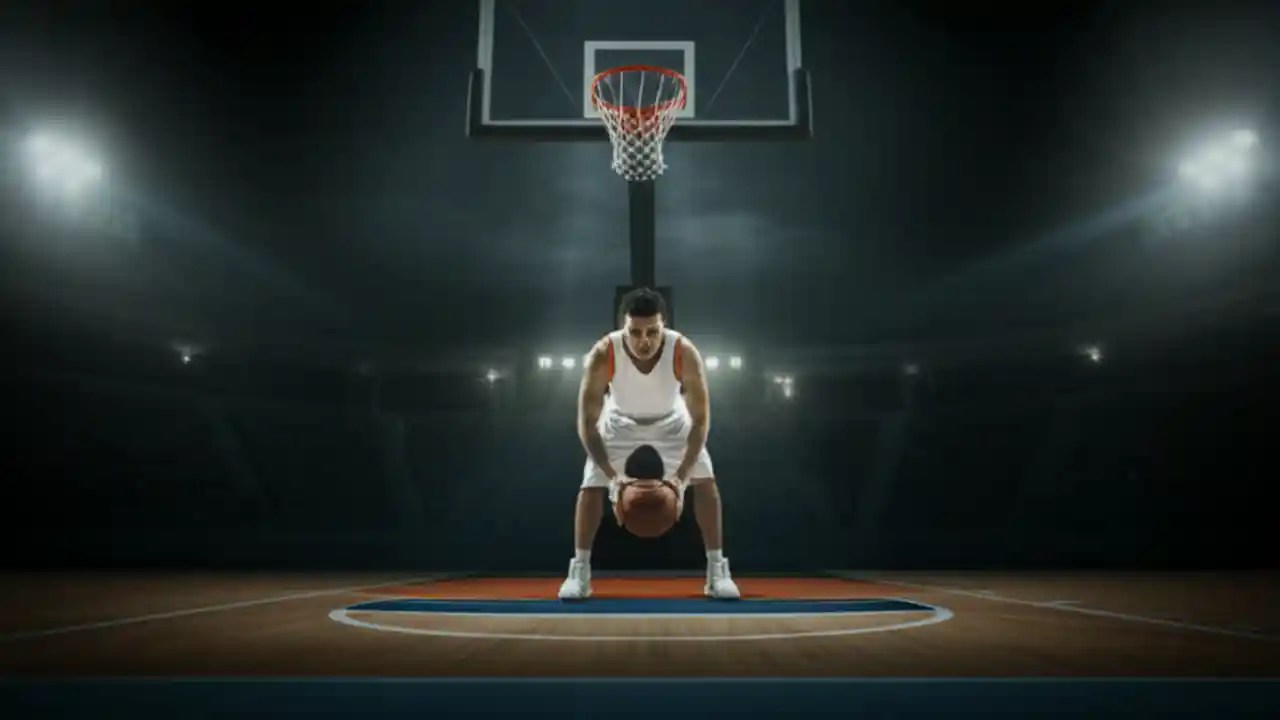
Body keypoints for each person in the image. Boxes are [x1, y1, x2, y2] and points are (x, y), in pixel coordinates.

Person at [558, 288, 740, 600]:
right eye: (635, 332)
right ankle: (580, 572)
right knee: (591, 485)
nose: (644, 340)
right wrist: (613, 478)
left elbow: (700, 422)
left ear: (664, 327)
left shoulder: (684, 352)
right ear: (622, 328)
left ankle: (717, 570)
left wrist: (681, 478)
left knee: (706, 481)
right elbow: (587, 425)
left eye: (653, 332)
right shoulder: (604, 353)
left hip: (672, 420)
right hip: (619, 422)